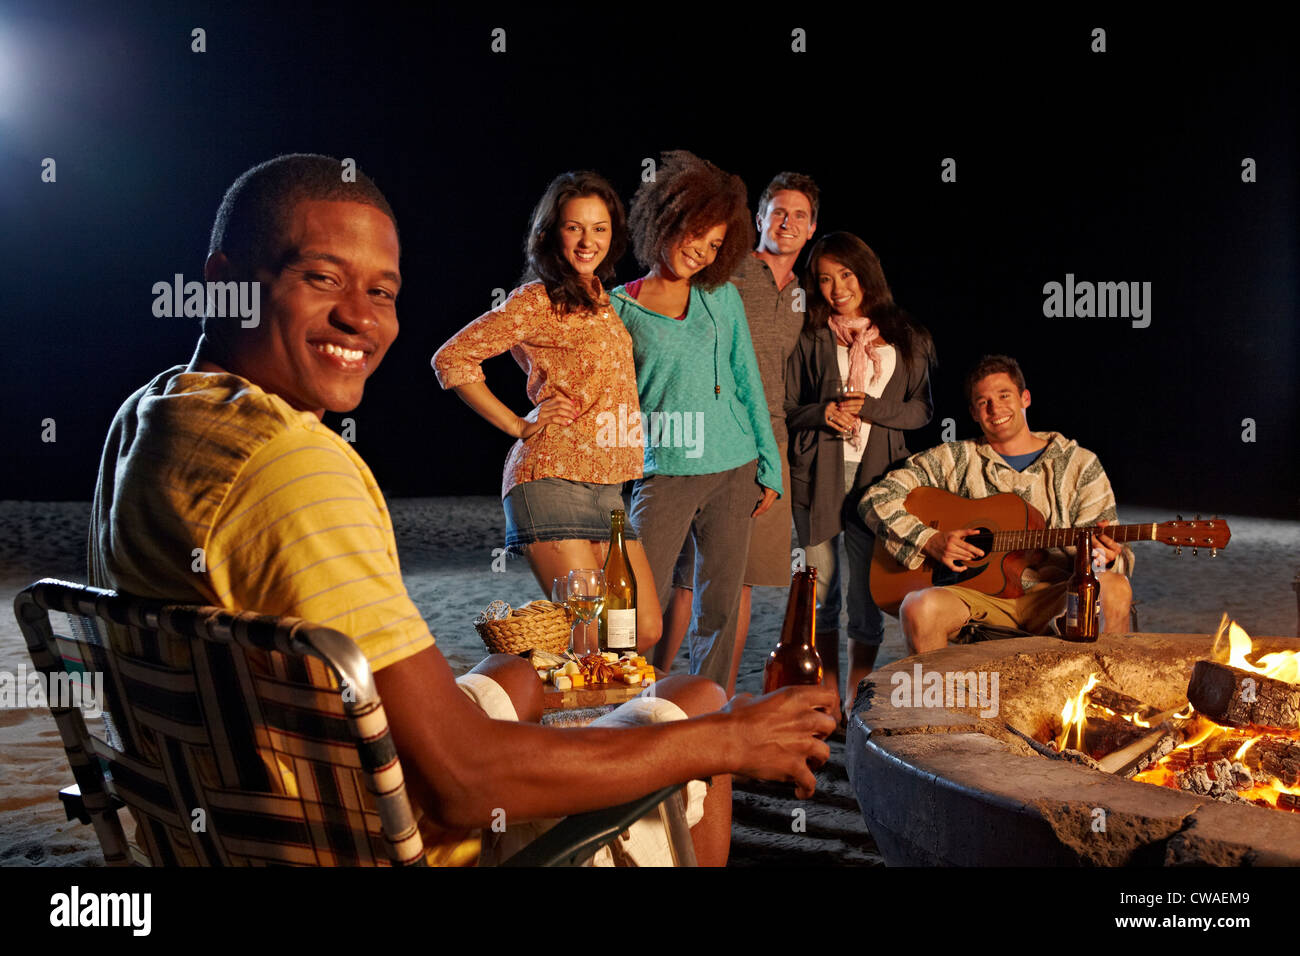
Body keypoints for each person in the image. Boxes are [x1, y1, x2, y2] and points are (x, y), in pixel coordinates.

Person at [88, 154, 837, 867]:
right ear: (225, 283)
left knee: (524, 672)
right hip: (382, 836)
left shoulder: (149, 418)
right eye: (322, 278)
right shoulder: (292, 465)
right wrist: (726, 742)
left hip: (242, 810)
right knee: (698, 698)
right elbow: (463, 782)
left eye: (382, 292)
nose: (360, 318)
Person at [433, 171, 661, 650]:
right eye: (574, 227)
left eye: (599, 228)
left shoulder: (603, 299)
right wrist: (519, 424)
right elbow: (452, 358)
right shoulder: (536, 301)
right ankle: (555, 717)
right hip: (552, 479)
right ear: (551, 232)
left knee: (642, 629)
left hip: (609, 488)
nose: (587, 240)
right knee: (591, 639)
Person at [609, 150, 784, 689]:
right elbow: (612, 399)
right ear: (667, 220)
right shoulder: (619, 307)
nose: (702, 254)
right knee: (637, 607)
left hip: (734, 467)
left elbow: (747, 381)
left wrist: (769, 466)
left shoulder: (722, 297)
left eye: (714, 246)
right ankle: (631, 704)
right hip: (664, 470)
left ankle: (708, 708)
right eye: (695, 237)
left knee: (720, 609)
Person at [659, 172, 820, 694]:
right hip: (708, 439)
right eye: (778, 211)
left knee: (739, 582)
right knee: (686, 580)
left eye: (799, 215)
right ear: (758, 219)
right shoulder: (726, 274)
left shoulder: (801, 297)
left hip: (767, 442)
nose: (787, 222)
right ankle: (655, 691)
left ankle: (715, 699)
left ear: (812, 227)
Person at [860, 354, 1133, 653]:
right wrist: (930, 540)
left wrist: (1102, 559)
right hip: (978, 598)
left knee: (1115, 588)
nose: (995, 408)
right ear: (974, 414)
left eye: (1004, 395)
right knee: (917, 606)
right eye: (983, 402)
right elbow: (877, 498)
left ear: (1024, 398)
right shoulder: (955, 459)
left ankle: (1103, 695)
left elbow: (1110, 560)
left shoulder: (1079, 465)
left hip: (1056, 595)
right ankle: (934, 698)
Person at [786, 232, 934, 718]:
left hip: (879, 484)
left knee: (866, 596)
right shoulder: (809, 336)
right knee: (820, 590)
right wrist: (822, 413)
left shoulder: (904, 335)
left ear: (865, 273)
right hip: (818, 476)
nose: (836, 288)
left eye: (845, 274)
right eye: (824, 279)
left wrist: (871, 408)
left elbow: (921, 412)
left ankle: (856, 692)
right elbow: (787, 407)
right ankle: (827, 693)